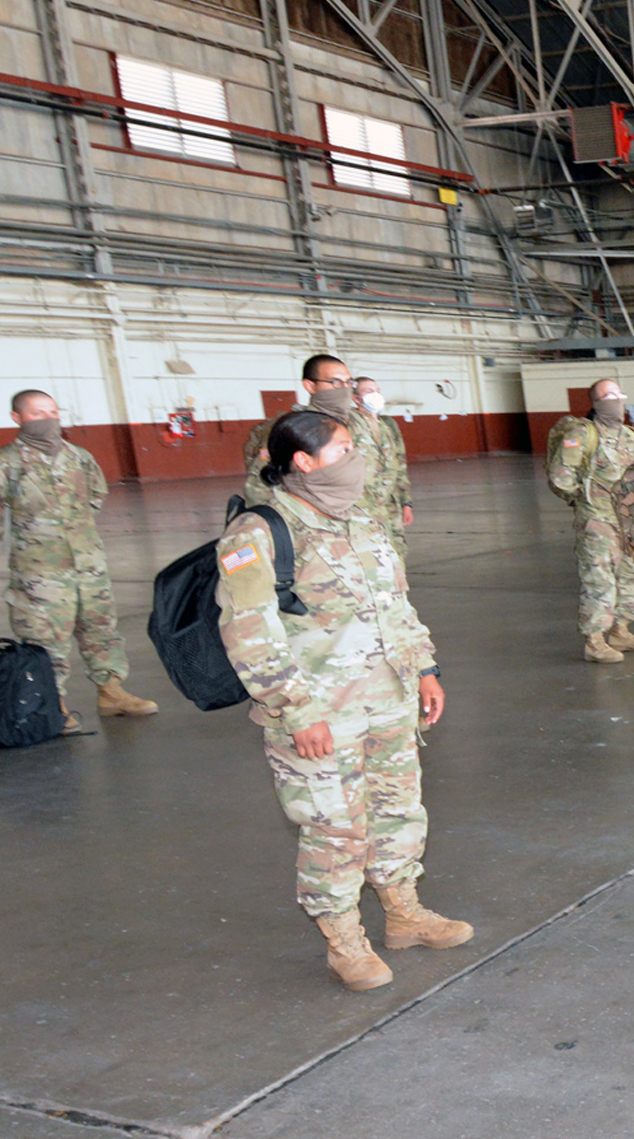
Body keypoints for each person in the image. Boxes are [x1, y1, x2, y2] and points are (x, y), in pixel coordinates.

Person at [218, 410, 469, 992]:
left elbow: (397, 606)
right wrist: (294, 710)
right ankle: (344, 942)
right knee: (336, 828)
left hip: (388, 698)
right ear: (302, 462)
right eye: (342, 450)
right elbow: (249, 631)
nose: (356, 460)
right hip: (320, 712)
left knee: (398, 811)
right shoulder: (259, 532)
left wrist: (425, 668)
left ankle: (404, 913)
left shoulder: (362, 521)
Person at [0, 389, 157, 732]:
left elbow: (95, 494)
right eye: (36, 413)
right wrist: (13, 533)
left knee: (100, 630)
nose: (47, 419)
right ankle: (51, 705)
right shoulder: (3, 463)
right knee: (47, 639)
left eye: (52, 410)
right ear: (17, 418)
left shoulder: (78, 457)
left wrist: (78, 530)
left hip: (89, 565)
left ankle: (111, 692)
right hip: (41, 572)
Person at [547, 380, 634, 663]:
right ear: (595, 402)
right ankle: (594, 641)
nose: (615, 399)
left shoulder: (629, 435)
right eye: (608, 395)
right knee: (599, 579)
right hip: (598, 521)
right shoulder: (582, 433)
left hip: (627, 519)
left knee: (631, 575)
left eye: (618, 394)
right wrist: (583, 502)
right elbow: (560, 476)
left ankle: (620, 630)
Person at [242, 357, 399, 530]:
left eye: (348, 382)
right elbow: (260, 488)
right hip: (321, 529)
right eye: (335, 382)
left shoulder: (362, 422)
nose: (344, 389)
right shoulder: (293, 428)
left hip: (371, 522)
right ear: (310, 386)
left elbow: (385, 468)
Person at [352, 376, 414, 559]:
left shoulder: (388, 426)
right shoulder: (350, 424)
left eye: (377, 390)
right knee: (371, 553)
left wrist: (406, 502)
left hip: (390, 502)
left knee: (397, 549)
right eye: (368, 391)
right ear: (356, 398)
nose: (375, 394)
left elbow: (399, 464)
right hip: (363, 504)